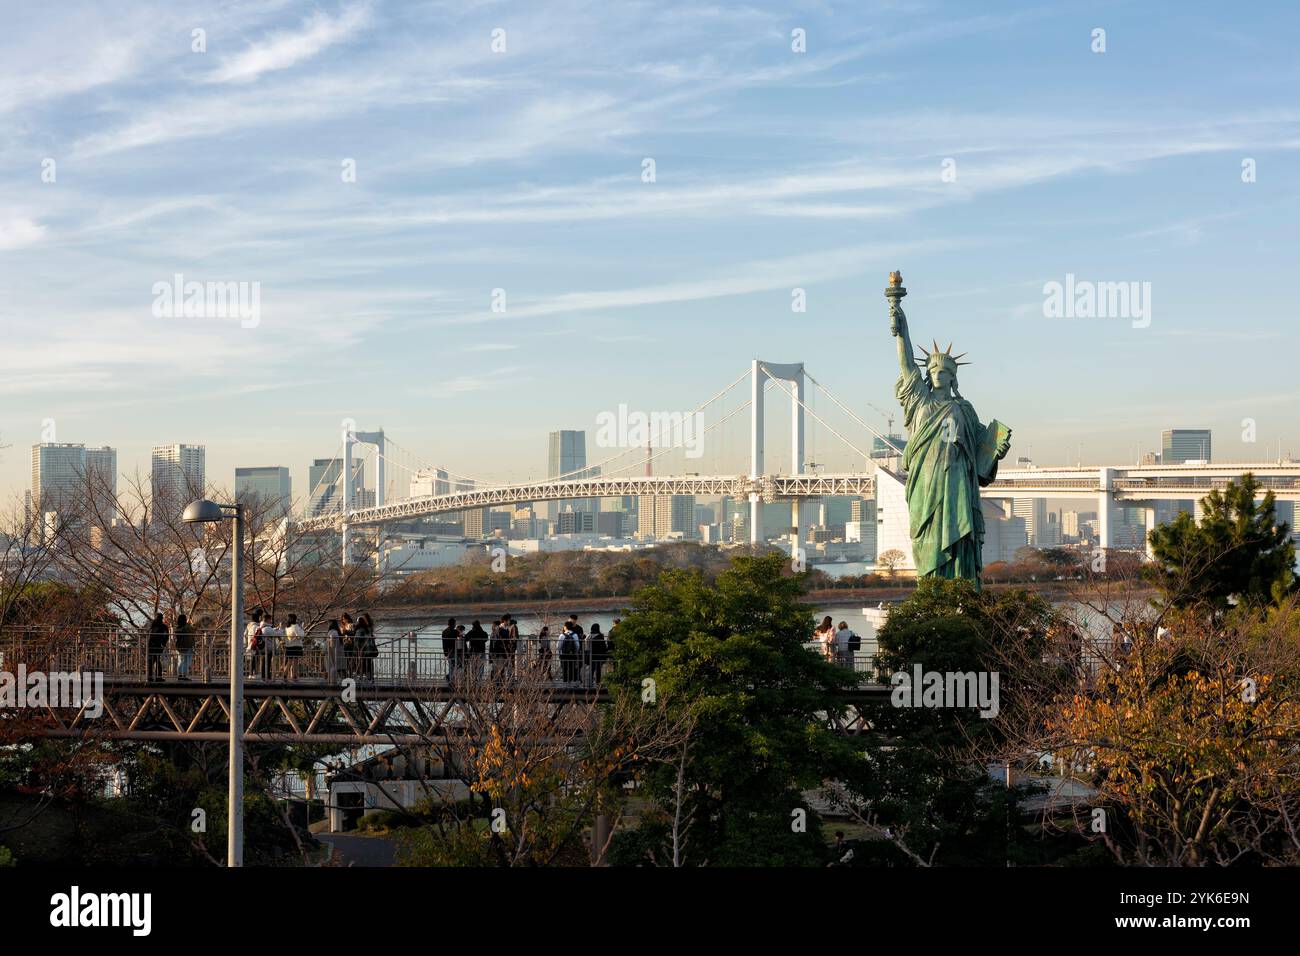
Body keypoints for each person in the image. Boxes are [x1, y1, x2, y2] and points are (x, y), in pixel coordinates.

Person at [283, 614, 306, 683]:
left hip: (289, 646)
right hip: (296, 645)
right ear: (295, 619)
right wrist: (302, 629)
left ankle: (285, 675)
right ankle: (294, 677)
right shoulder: (295, 626)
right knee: (295, 662)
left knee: (289, 661)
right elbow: (301, 635)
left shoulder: (287, 627)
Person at [173, 613, 196, 681]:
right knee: (186, 661)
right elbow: (194, 629)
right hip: (187, 646)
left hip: (179, 647)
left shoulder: (177, 628)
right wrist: (192, 622)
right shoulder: (186, 627)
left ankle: (180, 675)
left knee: (180, 661)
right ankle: (184, 676)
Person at [146, 612, 168, 682]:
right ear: (162, 618)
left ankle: (149, 677)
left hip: (150, 645)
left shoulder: (151, 624)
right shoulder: (163, 626)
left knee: (151, 661)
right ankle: (158, 677)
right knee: (158, 660)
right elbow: (166, 635)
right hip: (159, 645)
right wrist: (163, 643)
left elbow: (146, 634)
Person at [356, 613, 378, 682]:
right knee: (369, 662)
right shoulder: (369, 628)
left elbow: (359, 640)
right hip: (370, 648)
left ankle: (366, 677)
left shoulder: (364, 629)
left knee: (365, 662)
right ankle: (370, 677)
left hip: (366, 648)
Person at [245, 609, 267, 679]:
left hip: (249, 644)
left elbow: (245, 634)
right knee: (255, 659)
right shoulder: (256, 626)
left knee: (252, 659)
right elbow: (259, 635)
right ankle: (253, 674)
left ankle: (251, 673)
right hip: (255, 645)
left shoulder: (249, 626)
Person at [325, 619, 343, 683]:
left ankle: (332, 681)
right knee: (334, 667)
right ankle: (333, 680)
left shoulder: (332, 632)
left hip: (332, 652)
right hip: (335, 652)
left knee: (332, 666)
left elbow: (331, 644)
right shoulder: (336, 632)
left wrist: (331, 651)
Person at [441, 617, 459, 684]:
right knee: (454, 666)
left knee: (451, 665)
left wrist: (445, 652)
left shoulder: (444, 631)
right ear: (453, 624)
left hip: (447, 651)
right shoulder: (455, 631)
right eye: (455, 623)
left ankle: (449, 678)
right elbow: (461, 636)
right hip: (453, 651)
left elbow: (443, 642)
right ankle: (450, 680)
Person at [339, 613, 357, 677]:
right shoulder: (342, 626)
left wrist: (346, 632)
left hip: (350, 644)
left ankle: (350, 674)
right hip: (344, 644)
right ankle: (347, 674)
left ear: (348, 618)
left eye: (345, 619)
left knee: (350, 659)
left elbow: (353, 634)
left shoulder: (351, 625)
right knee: (346, 660)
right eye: (342, 619)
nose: (344, 620)